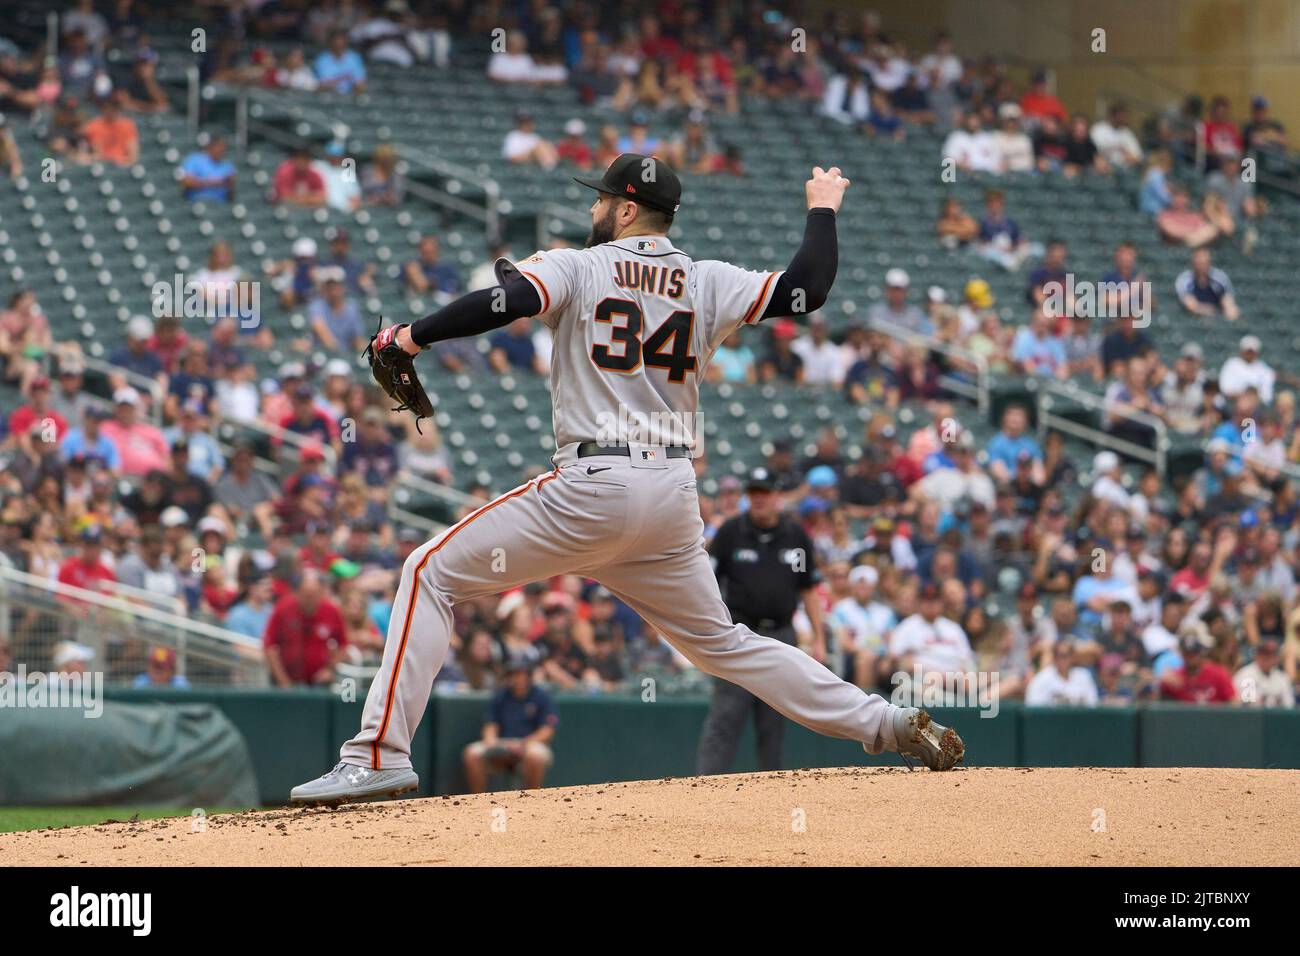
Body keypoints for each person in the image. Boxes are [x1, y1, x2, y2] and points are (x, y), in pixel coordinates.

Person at [289, 156, 964, 804]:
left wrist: (411, 338)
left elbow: (508, 300)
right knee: (728, 645)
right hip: (670, 497)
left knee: (428, 573)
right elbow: (808, 289)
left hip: (594, 484)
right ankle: (882, 723)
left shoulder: (577, 265)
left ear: (626, 207)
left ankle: (375, 756)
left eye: (600, 197)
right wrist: (822, 210)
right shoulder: (706, 279)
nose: (592, 206)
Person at [696, 467, 824, 775]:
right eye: (753, 493)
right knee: (725, 718)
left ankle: (771, 797)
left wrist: (819, 637)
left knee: (773, 722)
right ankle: (704, 791)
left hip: (781, 635)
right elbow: (706, 581)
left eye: (764, 493)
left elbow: (809, 590)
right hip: (739, 634)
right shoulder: (730, 533)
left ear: (777, 497)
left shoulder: (796, 536)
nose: (758, 499)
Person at [462, 656, 558, 792]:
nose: (516, 678)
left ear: (528, 676)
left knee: (536, 756)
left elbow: (547, 731)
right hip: (504, 743)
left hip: (529, 743)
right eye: (513, 674)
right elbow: (490, 726)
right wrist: (492, 743)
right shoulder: (501, 696)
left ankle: (530, 799)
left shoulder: (541, 697)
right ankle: (479, 799)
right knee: (472, 754)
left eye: (520, 674)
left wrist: (523, 743)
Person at [263, 569, 348, 687]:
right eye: (306, 595)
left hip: (319, 684)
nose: (310, 600)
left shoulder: (331, 611)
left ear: (321, 593)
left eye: (314, 595)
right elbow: (269, 644)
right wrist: (282, 679)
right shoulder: (283, 608)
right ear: (297, 593)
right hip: (286, 681)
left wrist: (330, 669)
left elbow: (343, 644)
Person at [179, 134, 235, 202]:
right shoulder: (194, 159)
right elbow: (187, 182)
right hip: (197, 203)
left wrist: (229, 185)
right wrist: (216, 183)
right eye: (219, 147)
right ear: (211, 146)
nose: (221, 150)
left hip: (220, 205)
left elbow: (231, 191)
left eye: (223, 148)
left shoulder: (227, 166)